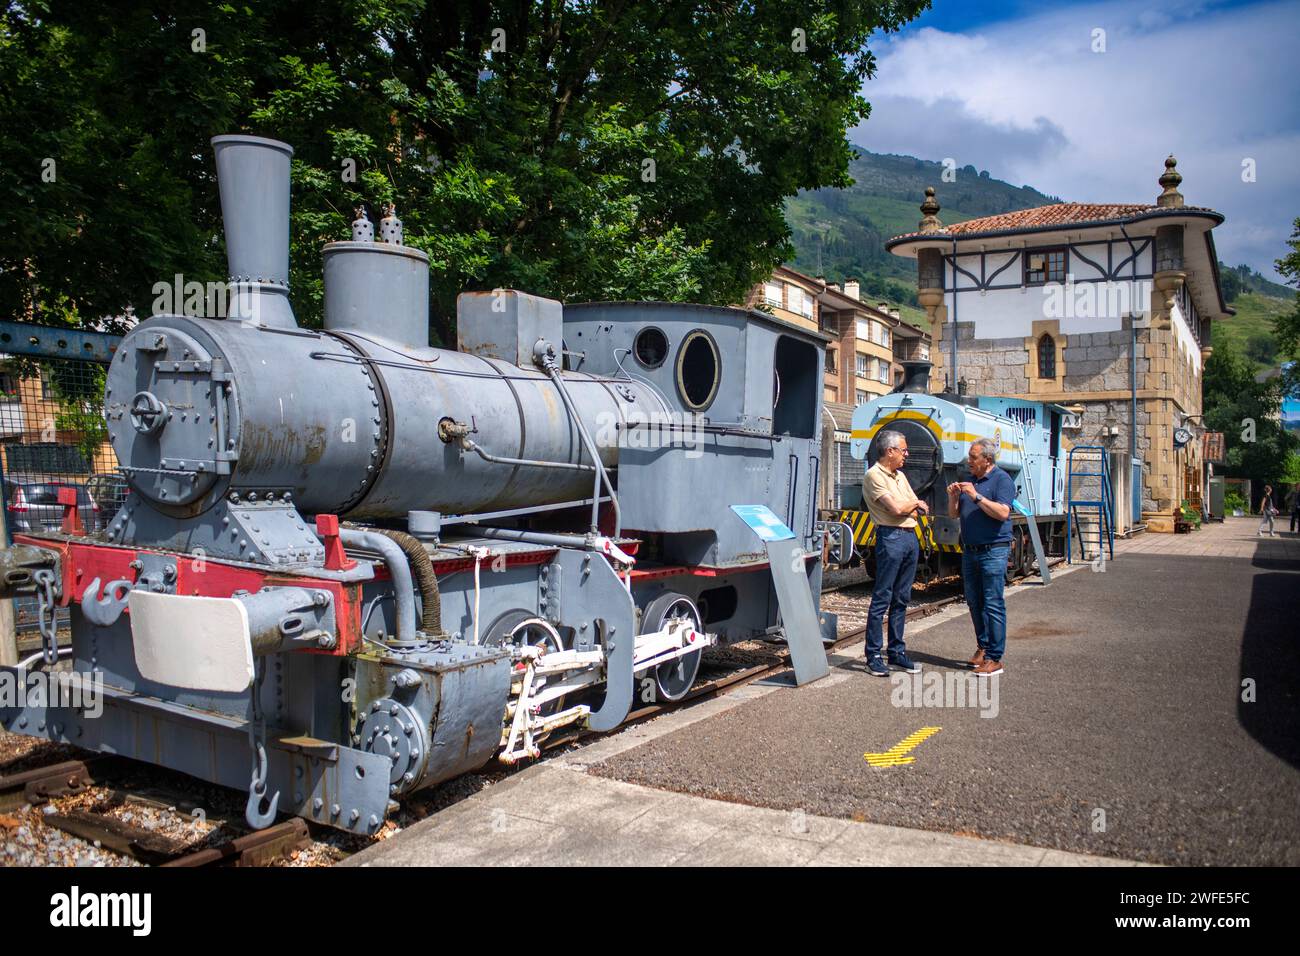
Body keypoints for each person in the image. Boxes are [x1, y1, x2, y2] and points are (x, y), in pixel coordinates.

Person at [861, 430, 928, 677]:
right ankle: (873, 656)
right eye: (903, 450)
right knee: (882, 597)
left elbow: (915, 507)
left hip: (910, 538)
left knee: (902, 597)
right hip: (890, 538)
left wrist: (910, 507)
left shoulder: (899, 476)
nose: (906, 455)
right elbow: (899, 507)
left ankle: (897, 652)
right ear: (890, 451)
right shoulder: (874, 476)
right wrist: (911, 506)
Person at [948, 438, 1016, 677]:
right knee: (974, 602)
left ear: (987, 460)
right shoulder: (972, 481)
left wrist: (976, 496)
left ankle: (995, 658)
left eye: (973, 457)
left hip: (993, 550)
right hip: (971, 550)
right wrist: (954, 497)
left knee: (993, 602)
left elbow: (1003, 513)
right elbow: (954, 513)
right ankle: (983, 646)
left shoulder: (1002, 480)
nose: (969, 461)